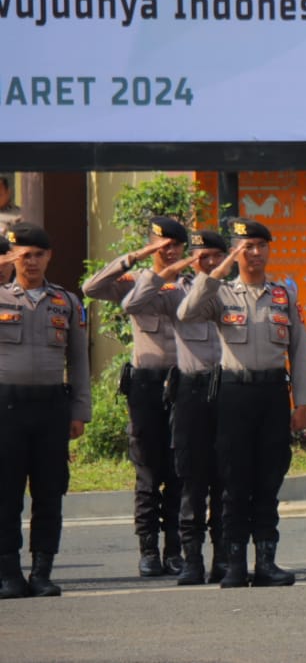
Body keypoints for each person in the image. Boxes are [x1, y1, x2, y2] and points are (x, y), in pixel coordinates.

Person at [175, 218, 306, 587]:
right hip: (233, 395)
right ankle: (234, 562)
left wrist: (302, 404)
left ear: (269, 249)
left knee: (268, 479)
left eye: (260, 246)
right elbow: (186, 313)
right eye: (246, 247)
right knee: (234, 480)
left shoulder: (284, 295)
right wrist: (217, 272)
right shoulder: (220, 293)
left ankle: (266, 562)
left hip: (272, 395)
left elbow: (299, 351)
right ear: (236, 252)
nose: (254, 253)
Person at [120, 229, 229, 584]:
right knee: (166, 474)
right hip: (173, 390)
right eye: (201, 256)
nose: (209, 263)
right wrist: (155, 263)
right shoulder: (170, 290)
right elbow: (129, 304)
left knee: (210, 476)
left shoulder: (234, 293)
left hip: (220, 393)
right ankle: (163, 553)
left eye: (216, 255)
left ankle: (209, 555)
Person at [84, 216, 188, 577]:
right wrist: (136, 257)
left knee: (180, 469)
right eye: (161, 245)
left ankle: (175, 548)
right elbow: (92, 287)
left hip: (185, 384)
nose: (169, 251)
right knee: (147, 470)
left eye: (174, 245)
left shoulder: (189, 286)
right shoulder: (134, 283)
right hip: (145, 384)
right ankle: (147, 549)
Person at [0, 222, 91, 598]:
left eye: (38, 254)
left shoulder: (66, 302)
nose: (32, 261)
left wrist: (79, 411)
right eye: (24, 255)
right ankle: (8, 573)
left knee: (49, 491)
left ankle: (42, 571)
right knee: (5, 492)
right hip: (6, 406)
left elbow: (79, 360)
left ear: (49, 256)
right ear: (12, 257)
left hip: (52, 406)